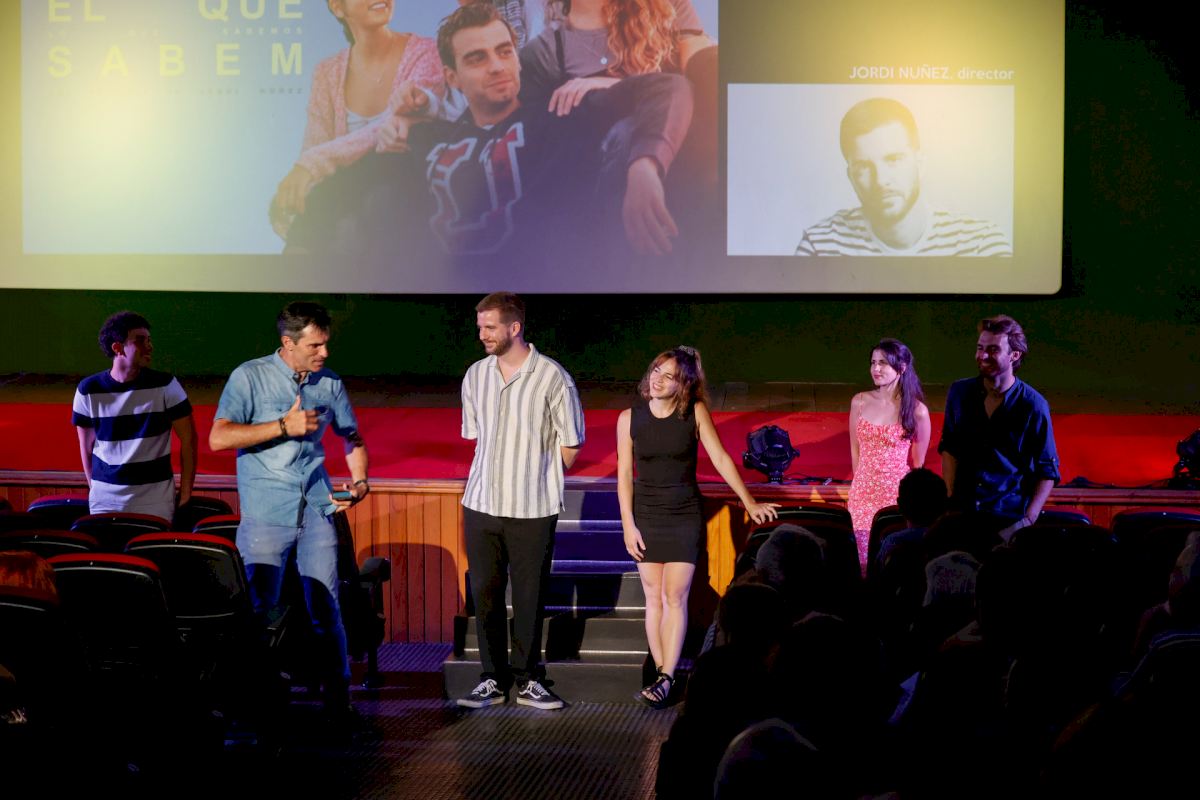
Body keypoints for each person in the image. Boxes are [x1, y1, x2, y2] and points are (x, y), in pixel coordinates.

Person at [287, 2, 693, 263]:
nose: (497, 66)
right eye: (477, 59)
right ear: (453, 76)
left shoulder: (558, 118)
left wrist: (645, 168)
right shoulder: (429, 139)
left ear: (519, 58)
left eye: (504, 52)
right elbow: (342, 189)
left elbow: (667, 89)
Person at [208, 301, 370, 720]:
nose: (324, 353)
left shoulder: (329, 383)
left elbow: (353, 438)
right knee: (259, 611)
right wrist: (283, 426)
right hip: (266, 511)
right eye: (316, 345)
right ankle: (254, 703)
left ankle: (339, 700)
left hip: (316, 510)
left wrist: (361, 481)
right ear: (288, 343)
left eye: (326, 344)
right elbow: (219, 437)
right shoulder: (250, 377)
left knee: (327, 607)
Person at [617, 346, 779, 708]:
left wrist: (750, 502)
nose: (657, 379)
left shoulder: (694, 413)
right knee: (654, 597)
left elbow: (720, 458)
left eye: (668, 376)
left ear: (684, 385)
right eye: (656, 370)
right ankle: (663, 673)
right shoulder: (629, 418)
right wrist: (628, 525)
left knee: (675, 595)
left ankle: (665, 676)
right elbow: (625, 475)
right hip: (646, 514)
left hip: (683, 514)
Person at [457, 292, 585, 710]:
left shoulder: (552, 377)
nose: (483, 335)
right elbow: (476, 436)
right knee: (486, 594)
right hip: (481, 502)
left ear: (514, 328)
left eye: (490, 327)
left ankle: (530, 678)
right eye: (480, 327)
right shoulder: (475, 375)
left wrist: (538, 477)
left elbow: (570, 444)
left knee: (530, 595)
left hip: (532, 506)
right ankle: (491, 678)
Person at [269, 0, 447, 239]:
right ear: (337, 7)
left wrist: (311, 164)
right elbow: (315, 148)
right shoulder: (326, 73)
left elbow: (394, 124)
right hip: (345, 216)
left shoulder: (427, 52)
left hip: (407, 209)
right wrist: (294, 197)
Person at [795, 97, 1012, 257]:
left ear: (920, 164)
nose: (880, 180)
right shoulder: (820, 247)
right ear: (850, 176)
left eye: (894, 159)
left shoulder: (980, 244)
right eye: (863, 166)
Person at [938, 314, 1060, 540]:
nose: (982, 355)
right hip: (962, 515)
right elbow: (950, 448)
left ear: (1015, 355)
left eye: (993, 349)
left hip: (1008, 519)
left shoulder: (1033, 405)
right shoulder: (960, 393)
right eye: (980, 348)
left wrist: (1028, 520)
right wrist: (950, 498)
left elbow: (1047, 469)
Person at [72, 311, 197, 522]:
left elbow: (189, 439)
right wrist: (96, 488)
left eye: (149, 340)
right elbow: (86, 446)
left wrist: (185, 493)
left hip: (155, 501)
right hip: (105, 502)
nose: (149, 346)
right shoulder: (88, 390)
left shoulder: (166, 385)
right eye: (140, 340)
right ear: (117, 348)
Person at [520, 0, 714, 111]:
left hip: (687, 155)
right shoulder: (543, 53)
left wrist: (616, 87)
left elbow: (705, 80)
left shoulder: (668, 6)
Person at [847, 338, 930, 571]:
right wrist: (859, 484)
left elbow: (918, 464)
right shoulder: (860, 402)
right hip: (862, 495)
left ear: (901, 367)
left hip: (894, 496)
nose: (876, 369)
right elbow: (855, 448)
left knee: (892, 562)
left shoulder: (916, 411)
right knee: (860, 562)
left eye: (883, 363)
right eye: (873, 363)